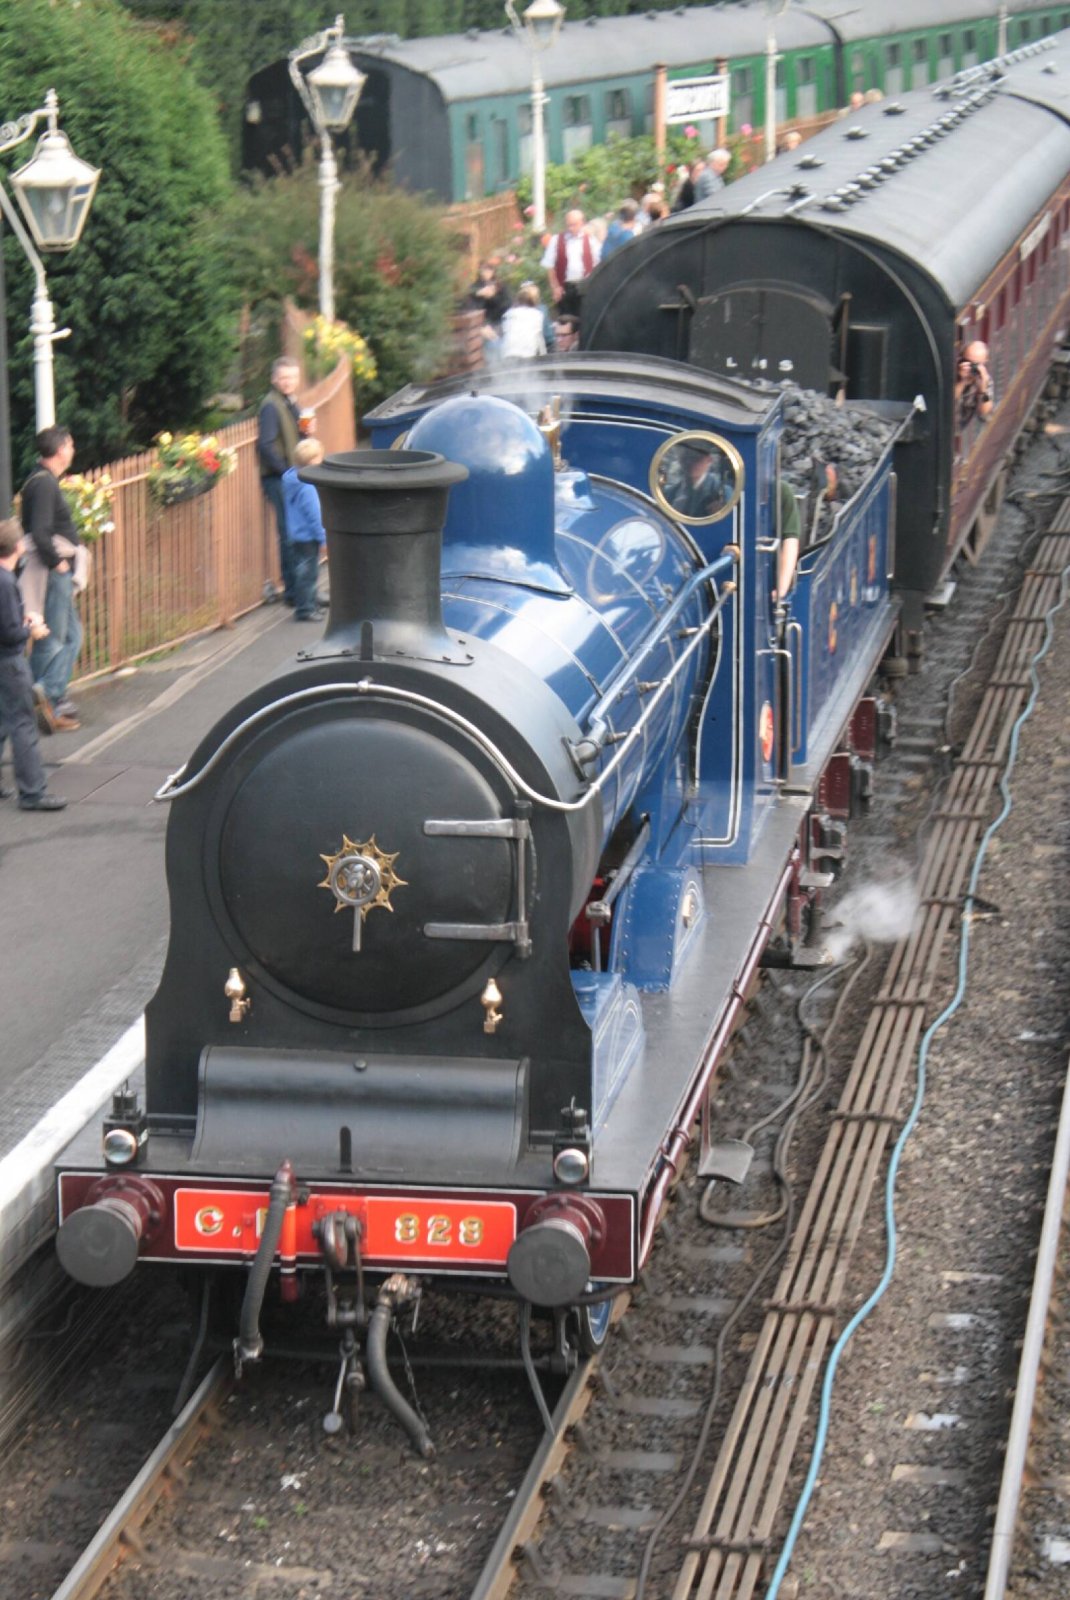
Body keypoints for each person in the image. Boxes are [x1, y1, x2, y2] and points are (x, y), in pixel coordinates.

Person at [0, 519, 67, 811]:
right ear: (19, 546)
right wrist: (32, 629)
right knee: (23, 725)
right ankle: (32, 792)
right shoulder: (6, 582)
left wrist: (21, 621)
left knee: (2, 722)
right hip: (9, 663)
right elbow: (9, 633)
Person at [20, 424, 81, 733]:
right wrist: (58, 563)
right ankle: (31, 699)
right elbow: (41, 532)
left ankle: (48, 698)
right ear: (60, 451)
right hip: (54, 573)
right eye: (70, 445)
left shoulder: (41, 480)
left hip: (55, 572)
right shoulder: (44, 484)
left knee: (72, 637)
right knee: (54, 639)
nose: (73, 450)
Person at [258, 356, 302, 608]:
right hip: (278, 478)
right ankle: (293, 592)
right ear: (274, 379)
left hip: (288, 475)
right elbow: (265, 445)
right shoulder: (270, 406)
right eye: (284, 377)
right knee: (288, 533)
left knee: (293, 531)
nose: (288, 382)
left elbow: (296, 434)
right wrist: (287, 472)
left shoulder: (289, 402)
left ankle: (299, 589)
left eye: (292, 377)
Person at [282, 438, 327, 622]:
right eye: (319, 458)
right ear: (312, 462)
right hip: (308, 536)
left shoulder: (290, 479)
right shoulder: (307, 487)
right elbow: (315, 515)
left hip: (295, 533)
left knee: (302, 571)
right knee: (308, 574)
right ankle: (305, 609)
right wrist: (324, 538)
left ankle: (309, 603)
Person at [541, 208, 601, 321]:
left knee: (585, 319)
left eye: (574, 225)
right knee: (566, 321)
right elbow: (550, 266)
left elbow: (598, 263)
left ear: (582, 223)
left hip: (585, 286)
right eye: (568, 225)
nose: (570, 228)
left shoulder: (591, 240)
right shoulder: (556, 240)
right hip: (565, 287)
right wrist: (555, 287)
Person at [499, 283, 549, 361]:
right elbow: (539, 339)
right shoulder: (537, 315)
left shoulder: (508, 314)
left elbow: (503, 335)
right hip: (527, 356)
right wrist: (544, 358)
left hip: (508, 355)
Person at [464, 260, 511, 334]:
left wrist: (493, 297)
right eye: (484, 270)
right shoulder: (476, 286)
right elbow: (470, 295)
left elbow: (507, 303)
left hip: (498, 320)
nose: (486, 273)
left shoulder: (500, 285)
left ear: (493, 271)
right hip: (483, 322)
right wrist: (479, 293)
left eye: (489, 270)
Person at [955, 340, 994, 427]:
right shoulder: (952, 369)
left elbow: (985, 415)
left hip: (955, 429)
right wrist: (962, 382)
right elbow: (945, 403)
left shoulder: (984, 379)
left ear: (985, 361)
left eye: (976, 364)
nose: (971, 367)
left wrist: (983, 390)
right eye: (967, 361)